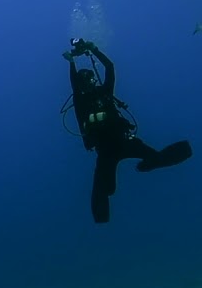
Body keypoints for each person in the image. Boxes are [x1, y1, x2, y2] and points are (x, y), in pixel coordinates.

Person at [64, 38, 193, 224]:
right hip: (105, 151)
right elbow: (74, 84)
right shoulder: (80, 102)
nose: (89, 84)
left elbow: (109, 67)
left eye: (91, 79)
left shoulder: (105, 92)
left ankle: (165, 158)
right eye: (85, 81)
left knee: (156, 158)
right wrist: (71, 62)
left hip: (124, 141)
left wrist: (95, 50)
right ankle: (102, 223)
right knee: (103, 189)